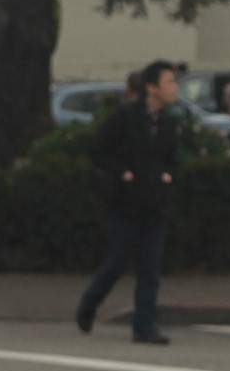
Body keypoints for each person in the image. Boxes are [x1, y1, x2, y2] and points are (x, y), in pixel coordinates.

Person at [76, 60, 183, 344]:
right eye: (169, 82)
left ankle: (144, 327)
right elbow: (98, 151)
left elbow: (173, 160)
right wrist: (123, 173)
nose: (174, 87)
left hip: (155, 202)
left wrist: (169, 176)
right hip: (125, 202)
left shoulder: (168, 122)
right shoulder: (125, 117)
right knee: (120, 260)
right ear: (151, 87)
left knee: (151, 267)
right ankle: (89, 303)